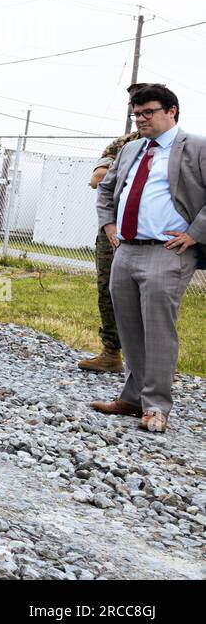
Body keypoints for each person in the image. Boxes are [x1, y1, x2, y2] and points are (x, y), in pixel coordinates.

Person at [92, 84, 206, 434]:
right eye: (136, 114)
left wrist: (195, 233)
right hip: (126, 248)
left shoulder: (197, 147)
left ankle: (156, 406)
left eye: (148, 112)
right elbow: (106, 189)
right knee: (128, 327)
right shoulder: (131, 149)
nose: (140, 119)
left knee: (157, 329)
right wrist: (109, 225)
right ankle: (132, 398)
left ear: (171, 111)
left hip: (168, 251)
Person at [79, 83, 147, 373]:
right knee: (108, 290)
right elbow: (97, 179)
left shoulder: (178, 145)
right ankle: (111, 352)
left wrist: (120, 175)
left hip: (154, 232)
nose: (139, 115)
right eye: (135, 108)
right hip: (115, 229)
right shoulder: (123, 144)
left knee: (151, 295)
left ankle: (149, 361)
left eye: (145, 108)